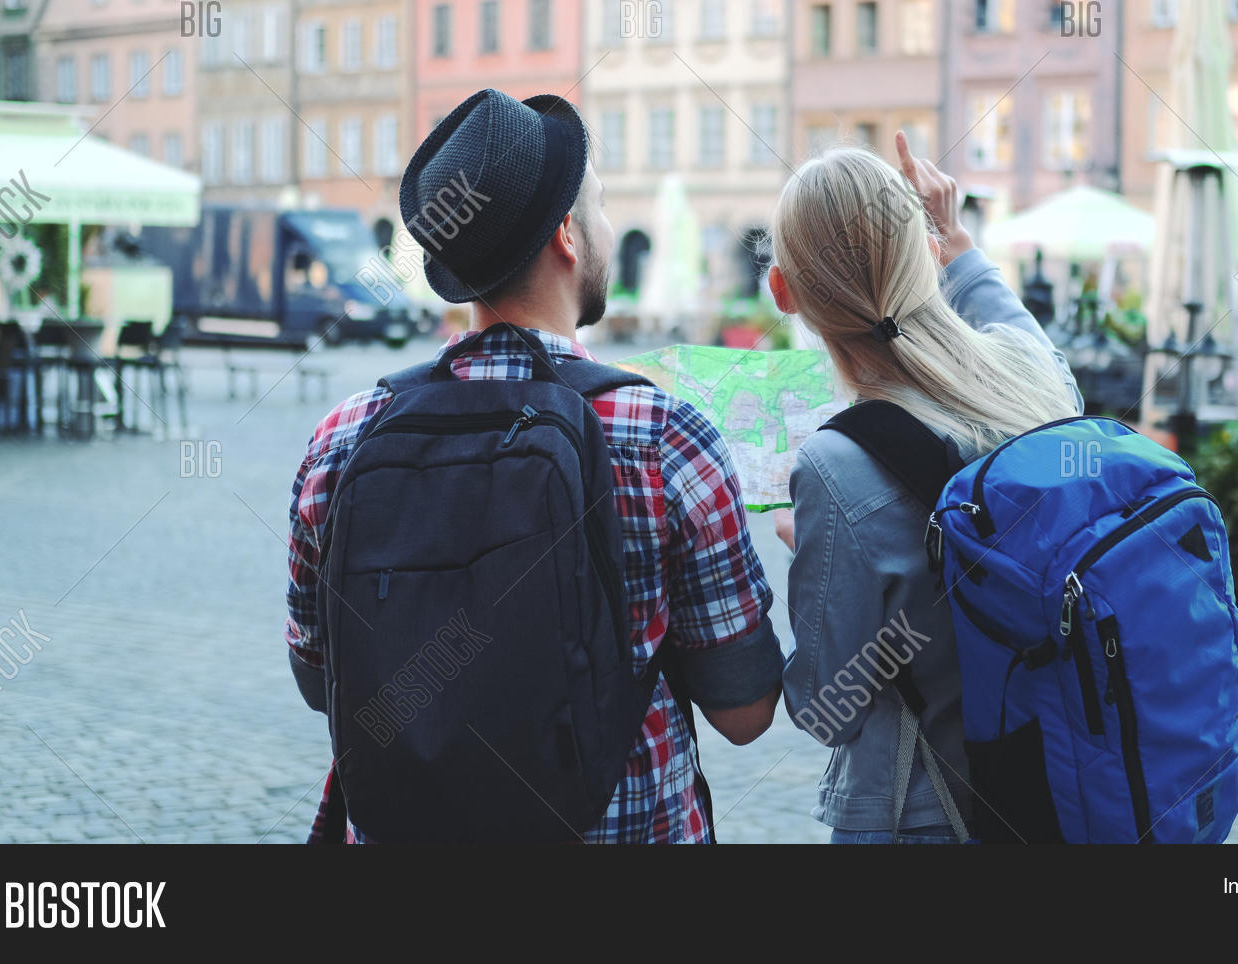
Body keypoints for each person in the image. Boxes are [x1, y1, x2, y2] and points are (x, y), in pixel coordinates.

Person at [284, 89, 783, 843]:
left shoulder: (341, 438)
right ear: (567, 236)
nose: (609, 226)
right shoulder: (666, 437)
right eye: (603, 207)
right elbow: (744, 714)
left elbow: (322, 680)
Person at [770, 133, 1083, 843]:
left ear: (782, 291)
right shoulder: (1032, 376)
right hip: (1062, 793)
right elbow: (1015, 327)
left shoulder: (834, 464)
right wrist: (958, 240)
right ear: (925, 255)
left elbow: (826, 708)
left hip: (929, 817)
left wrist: (805, 552)